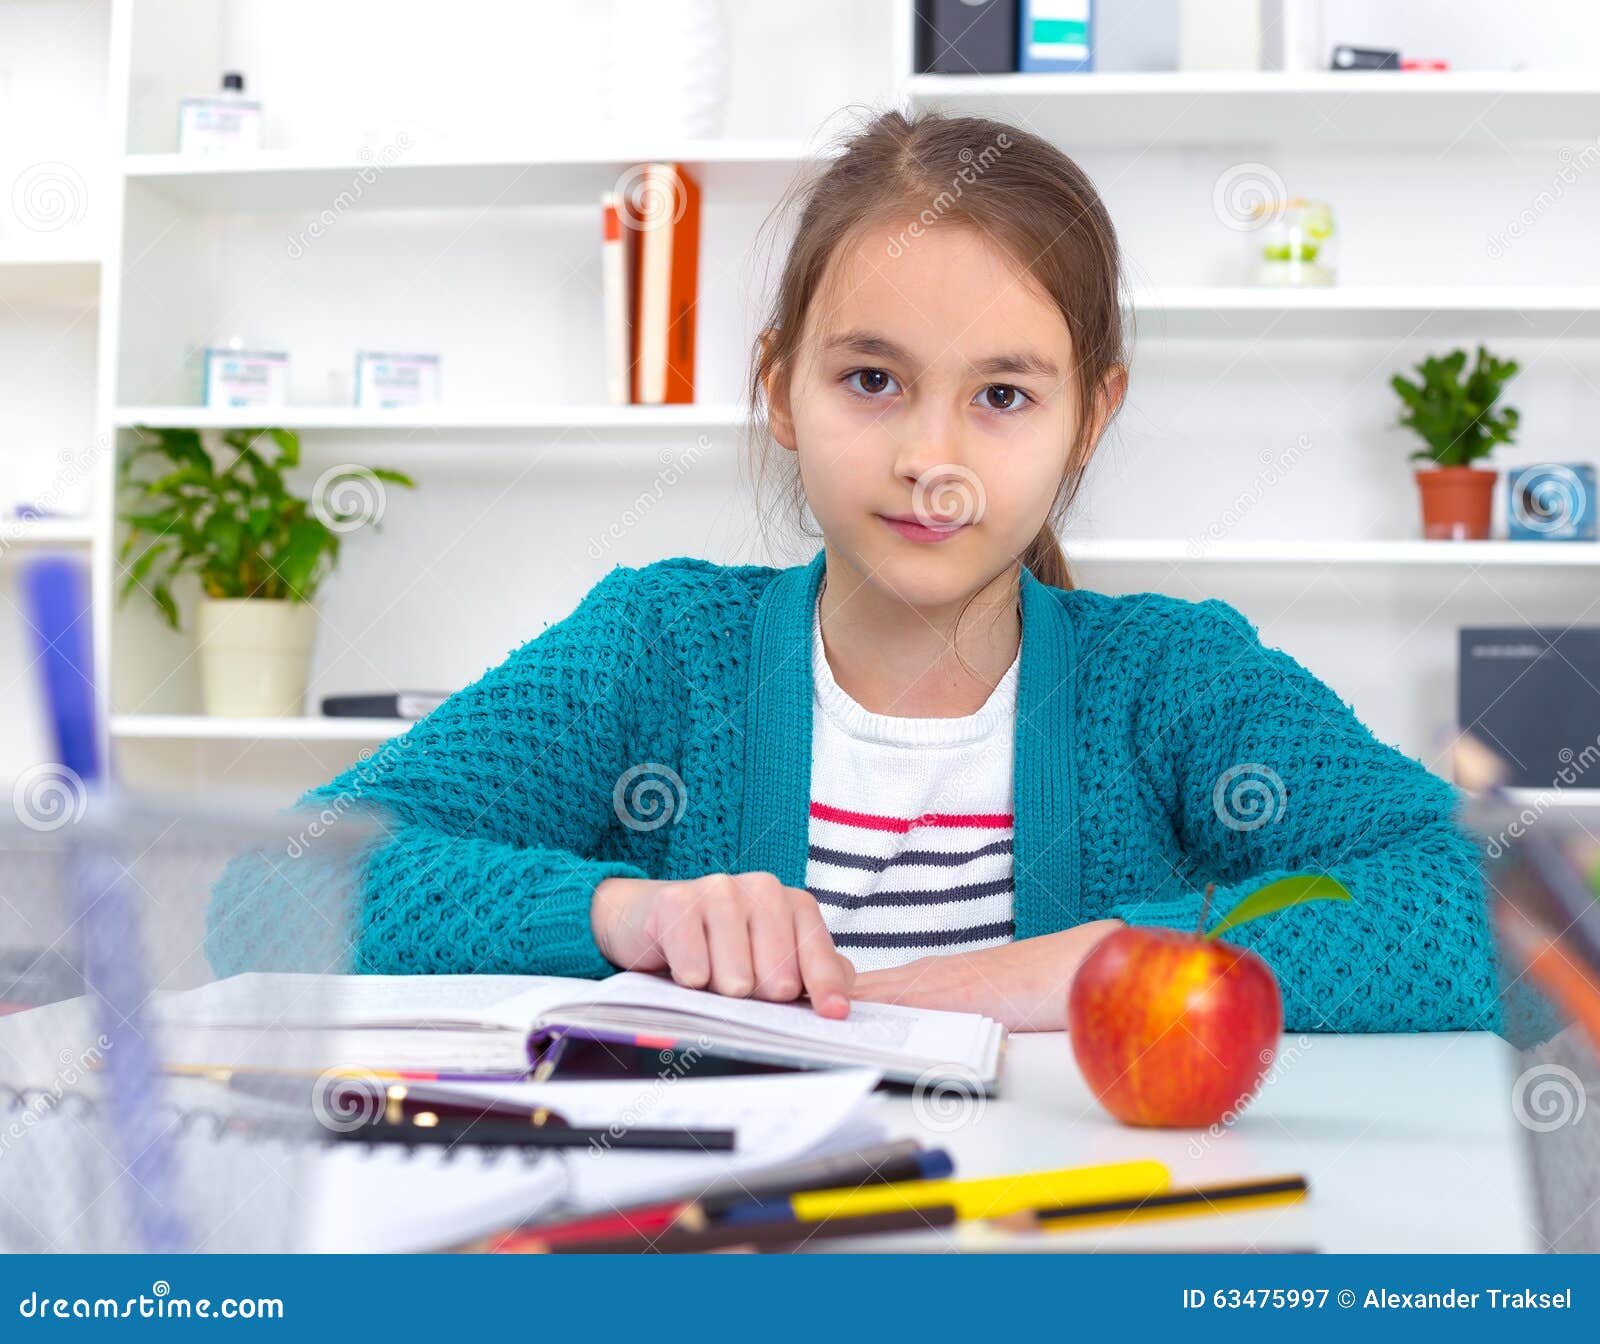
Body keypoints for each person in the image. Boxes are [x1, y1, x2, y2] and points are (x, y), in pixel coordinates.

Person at [207, 109, 1513, 1036]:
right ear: (780, 387)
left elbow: (1485, 910)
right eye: (872, 380)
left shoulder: (1171, 681)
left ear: (1090, 418)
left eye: (1002, 393)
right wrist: (620, 916)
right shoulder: (661, 652)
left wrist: (1084, 969)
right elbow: (269, 890)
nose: (928, 458)